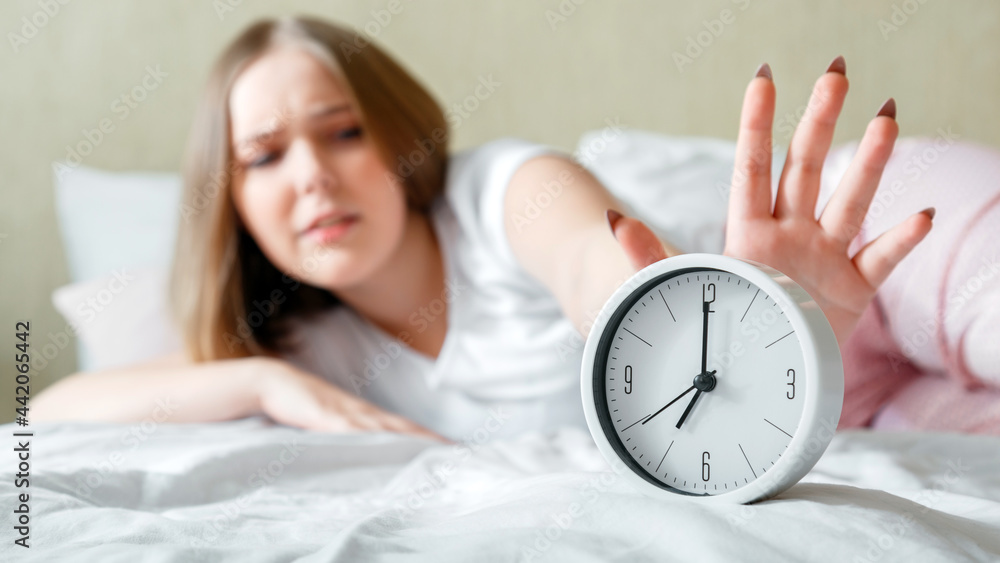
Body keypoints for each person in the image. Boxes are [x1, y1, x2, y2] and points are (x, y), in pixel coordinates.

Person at [33, 16, 940, 442]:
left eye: (344, 132)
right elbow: (47, 411)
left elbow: (594, 271)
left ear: (400, 132)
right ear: (228, 200)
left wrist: (732, 325)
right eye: (265, 156)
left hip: (884, 282)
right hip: (815, 418)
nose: (311, 174)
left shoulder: (511, 190)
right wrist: (269, 385)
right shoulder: (299, 342)